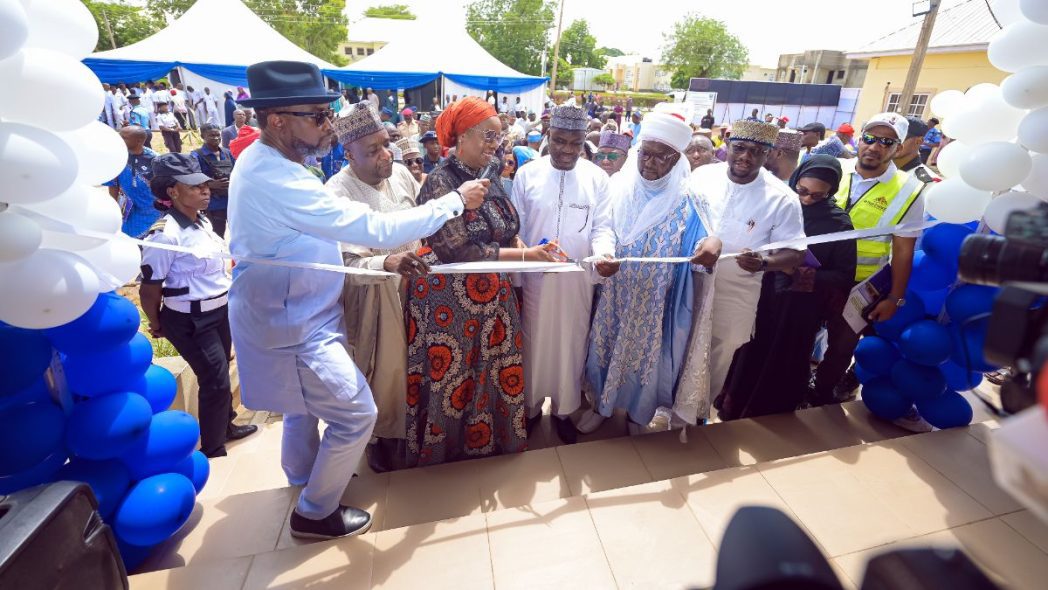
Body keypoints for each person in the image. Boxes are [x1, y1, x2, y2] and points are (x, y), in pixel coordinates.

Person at [229, 61, 486, 539]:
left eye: (328, 114)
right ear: (277, 120)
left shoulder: (274, 163)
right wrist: (454, 202)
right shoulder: (280, 178)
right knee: (356, 413)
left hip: (301, 310)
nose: (328, 125)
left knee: (300, 407)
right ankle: (314, 512)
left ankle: (303, 480)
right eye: (317, 116)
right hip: (295, 321)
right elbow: (376, 230)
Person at [398, 96, 560, 469]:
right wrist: (525, 257)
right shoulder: (440, 182)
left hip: (493, 297)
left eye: (498, 137)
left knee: (491, 372)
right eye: (487, 135)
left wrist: (521, 244)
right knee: (453, 376)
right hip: (451, 303)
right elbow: (458, 249)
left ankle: (489, 447)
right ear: (462, 137)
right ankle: (444, 454)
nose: (495, 144)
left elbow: (504, 227)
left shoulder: (491, 175)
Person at [582, 111, 721, 433]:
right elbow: (599, 229)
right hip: (613, 292)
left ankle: (638, 415)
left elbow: (703, 238)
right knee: (603, 346)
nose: (651, 163)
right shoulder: (617, 186)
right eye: (647, 153)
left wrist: (712, 242)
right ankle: (600, 407)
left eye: (663, 157)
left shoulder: (689, 198)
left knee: (645, 361)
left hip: (656, 301)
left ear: (677, 159)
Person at [324, 103, 428, 472]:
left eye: (386, 144)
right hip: (372, 297)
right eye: (372, 151)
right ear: (348, 154)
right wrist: (386, 263)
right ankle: (380, 439)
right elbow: (345, 264)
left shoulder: (401, 173)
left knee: (414, 365)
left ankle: (409, 430)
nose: (385, 155)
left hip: (415, 288)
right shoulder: (337, 193)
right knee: (381, 371)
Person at [139, 153, 258, 459]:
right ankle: (214, 448)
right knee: (215, 380)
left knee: (221, 373)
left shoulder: (201, 221)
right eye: (194, 186)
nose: (205, 190)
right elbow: (150, 290)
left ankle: (227, 426)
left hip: (219, 312)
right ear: (172, 192)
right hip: (190, 319)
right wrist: (156, 323)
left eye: (205, 184)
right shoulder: (165, 235)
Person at [718, 156, 855, 419]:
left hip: (800, 306)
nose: (806, 200)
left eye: (818, 195)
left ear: (831, 192)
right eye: (802, 191)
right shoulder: (778, 205)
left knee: (785, 356)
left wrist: (801, 271)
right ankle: (733, 403)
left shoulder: (838, 222)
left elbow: (843, 274)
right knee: (751, 348)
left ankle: (771, 411)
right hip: (764, 293)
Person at [813, 114, 929, 425]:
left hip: (859, 286)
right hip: (813, 273)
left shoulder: (911, 190)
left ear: (898, 147)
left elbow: (904, 251)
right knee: (798, 335)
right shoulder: (835, 169)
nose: (875, 146)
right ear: (859, 138)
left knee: (840, 348)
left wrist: (895, 298)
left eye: (887, 141)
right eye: (870, 138)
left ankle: (820, 396)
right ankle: (789, 387)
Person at [510, 105, 615, 444]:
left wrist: (603, 255)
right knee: (534, 345)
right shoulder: (527, 175)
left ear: (585, 140)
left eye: (575, 142)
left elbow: (603, 228)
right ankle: (529, 408)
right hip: (536, 280)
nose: (567, 150)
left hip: (577, 282)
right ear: (548, 137)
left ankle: (563, 410)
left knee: (571, 345)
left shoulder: (597, 178)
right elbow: (517, 231)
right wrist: (517, 282)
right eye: (559, 141)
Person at [689, 120, 807, 416]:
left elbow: (794, 252)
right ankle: (665, 406)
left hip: (736, 290)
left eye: (756, 151)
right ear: (726, 145)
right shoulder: (701, 177)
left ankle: (697, 415)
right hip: (687, 281)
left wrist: (764, 263)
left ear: (769, 154)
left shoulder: (782, 198)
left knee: (719, 352)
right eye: (739, 148)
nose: (745, 156)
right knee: (680, 343)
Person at [106, 126, 160, 237]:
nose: (119, 139)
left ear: (138, 141)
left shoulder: (156, 160)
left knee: (151, 241)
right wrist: (114, 208)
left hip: (153, 210)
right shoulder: (116, 158)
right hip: (129, 211)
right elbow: (113, 185)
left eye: (124, 137)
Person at [192, 123, 235, 237]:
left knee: (237, 232)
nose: (216, 138)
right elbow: (192, 177)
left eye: (217, 135)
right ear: (203, 136)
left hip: (232, 201)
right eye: (211, 135)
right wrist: (210, 184)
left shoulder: (227, 153)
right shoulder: (196, 155)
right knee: (217, 234)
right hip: (213, 203)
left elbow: (236, 171)